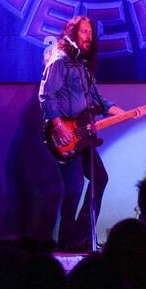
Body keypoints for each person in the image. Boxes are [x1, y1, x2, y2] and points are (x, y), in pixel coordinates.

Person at [39, 15, 126, 251]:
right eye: (84, 31)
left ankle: (82, 234)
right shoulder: (60, 60)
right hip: (65, 134)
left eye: (91, 32)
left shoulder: (83, 65)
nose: (89, 36)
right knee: (75, 187)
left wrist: (129, 112)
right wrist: (57, 124)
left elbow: (99, 100)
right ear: (72, 33)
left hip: (84, 135)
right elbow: (46, 95)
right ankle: (67, 241)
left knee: (100, 178)